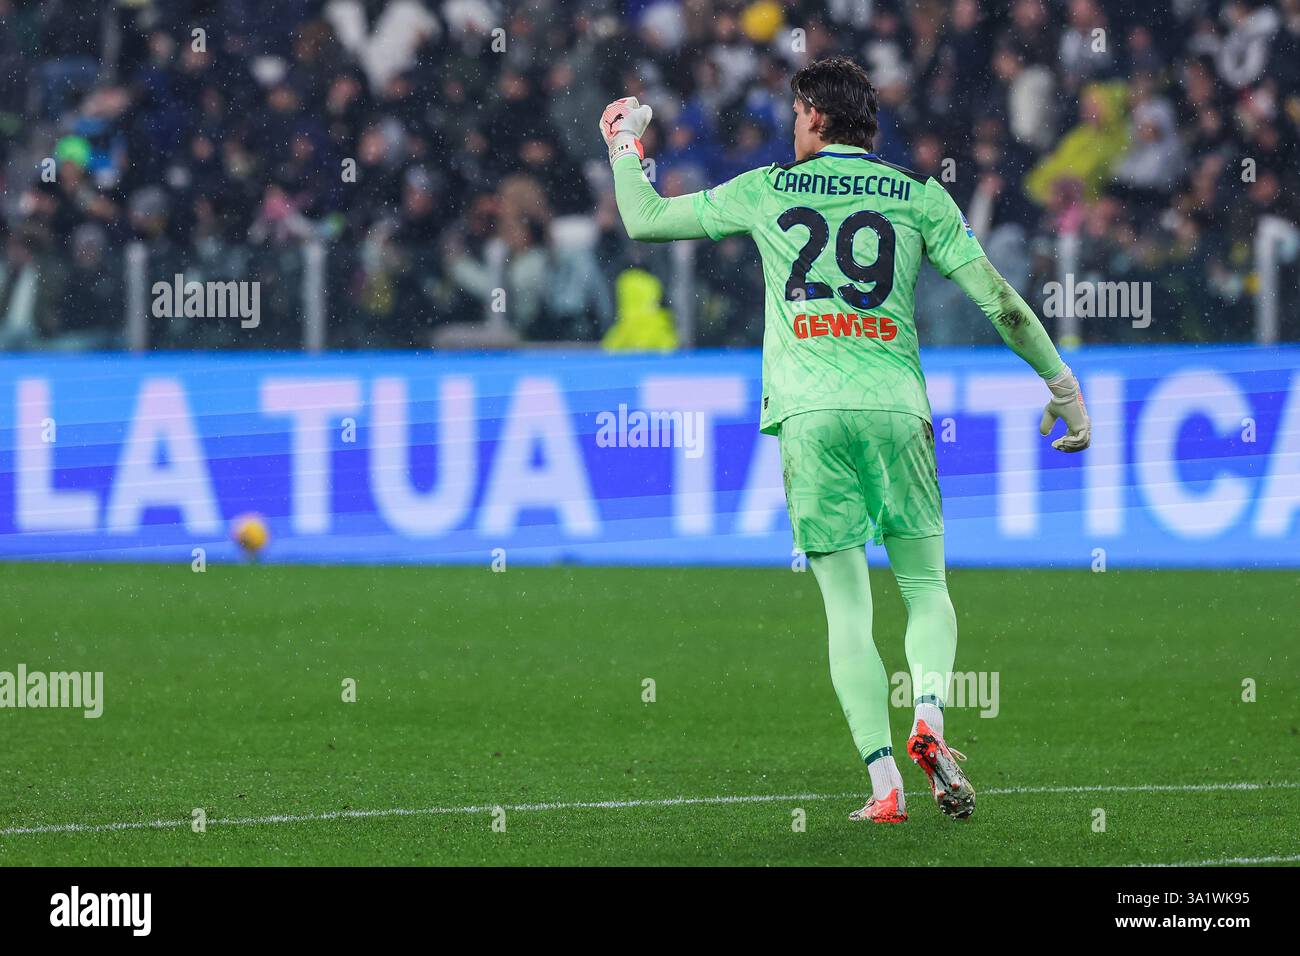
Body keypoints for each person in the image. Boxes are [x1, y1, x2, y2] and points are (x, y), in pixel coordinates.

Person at [599, 55, 1091, 823]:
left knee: (846, 612)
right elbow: (999, 300)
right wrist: (1062, 385)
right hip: (895, 408)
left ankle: (884, 786)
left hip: (809, 415)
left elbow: (646, 220)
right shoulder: (918, 195)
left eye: (797, 114)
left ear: (817, 118)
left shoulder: (766, 189)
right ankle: (929, 714)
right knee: (926, 587)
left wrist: (623, 144)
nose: (791, 127)